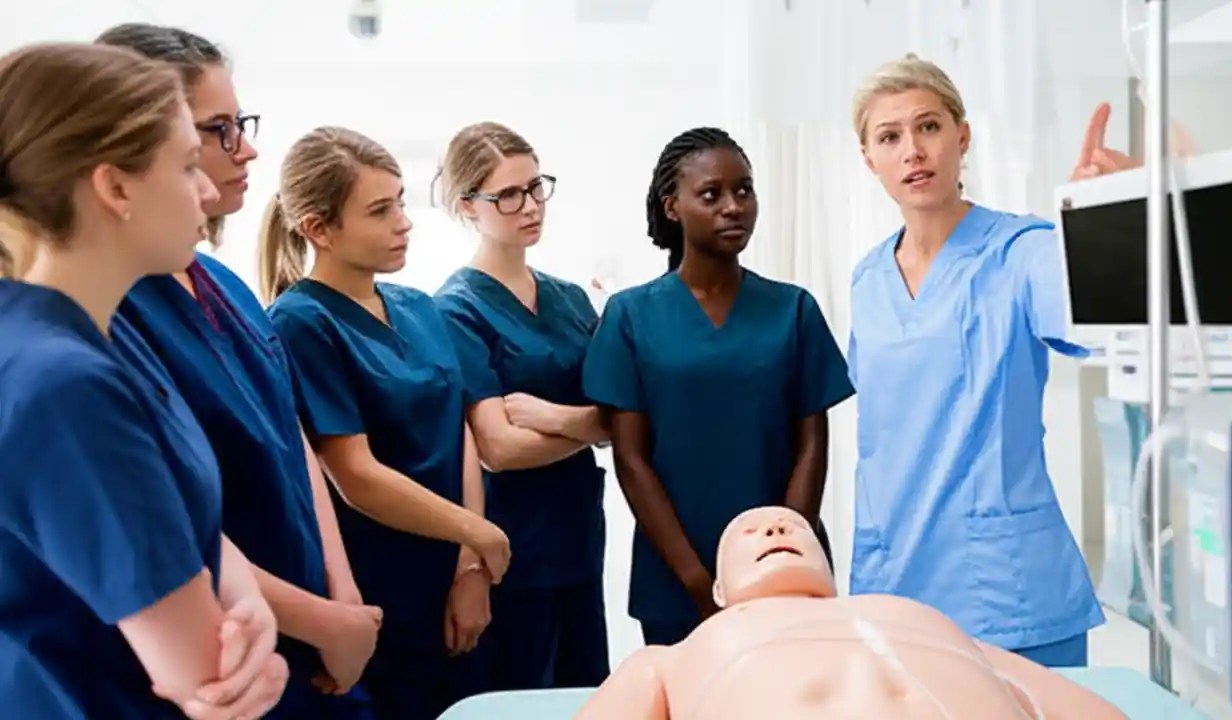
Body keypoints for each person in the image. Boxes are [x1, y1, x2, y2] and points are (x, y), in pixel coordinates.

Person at [95, 23, 382, 717]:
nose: (244, 149)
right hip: (224, 652)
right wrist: (320, 620)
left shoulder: (223, 283)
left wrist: (340, 602)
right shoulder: (108, 307)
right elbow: (167, 522)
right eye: (216, 132)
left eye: (238, 124)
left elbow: (292, 439)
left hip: (315, 634)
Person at [0, 41, 287, 718]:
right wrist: (255, 658)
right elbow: (206, 675)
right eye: (189, 164)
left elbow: (181, 521)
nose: (209, 190)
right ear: (116, 186)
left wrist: (249, 604)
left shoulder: (96, 333)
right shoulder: (61, 385)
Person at [845, 54, 1104, 667]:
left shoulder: (1024, 250)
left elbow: (1096, 318)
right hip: (895, 580)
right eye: (890, 136)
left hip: (1008, 589)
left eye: (929, 127)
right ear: (869, 159)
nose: (913, 150)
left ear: (962, 138)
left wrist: (1096, 229)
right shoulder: (867, 279)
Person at [260, 126, 512, 719]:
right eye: (380, 210)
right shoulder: (302, 322)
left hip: (453, 577)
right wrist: (479, 535)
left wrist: (470, 565)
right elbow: (355, 473)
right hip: (379, 589)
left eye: (400, 201)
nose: (404, 221)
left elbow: (459, 434)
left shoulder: (419, 307)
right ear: (318, 229)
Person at [583, 127, 854, 647]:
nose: (734, 206)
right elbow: (632, 461)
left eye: (744, 190)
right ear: (673, 207)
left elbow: (812, 446)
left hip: (787, 579)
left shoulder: (792, 309)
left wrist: (780, 562)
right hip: (675, 575)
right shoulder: (631, 316)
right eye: (712, 195)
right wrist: (698, 582)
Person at [575, 507, 1128, 719]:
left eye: (795, 527)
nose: (775, 529)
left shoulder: (917, 617)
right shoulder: (675, 656)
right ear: (719, 590)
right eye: (750, 531)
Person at [433, 122, 611, 692]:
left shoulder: (571, 298)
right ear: (467, 205)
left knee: (590, 697)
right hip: (513, 546)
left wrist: (564, 418)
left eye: (536, 187)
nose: (530, 205)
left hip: (579, 536)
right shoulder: (455, 309)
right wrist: (594, 424)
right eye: (508, 195)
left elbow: (617, 417)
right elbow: (500, 448)